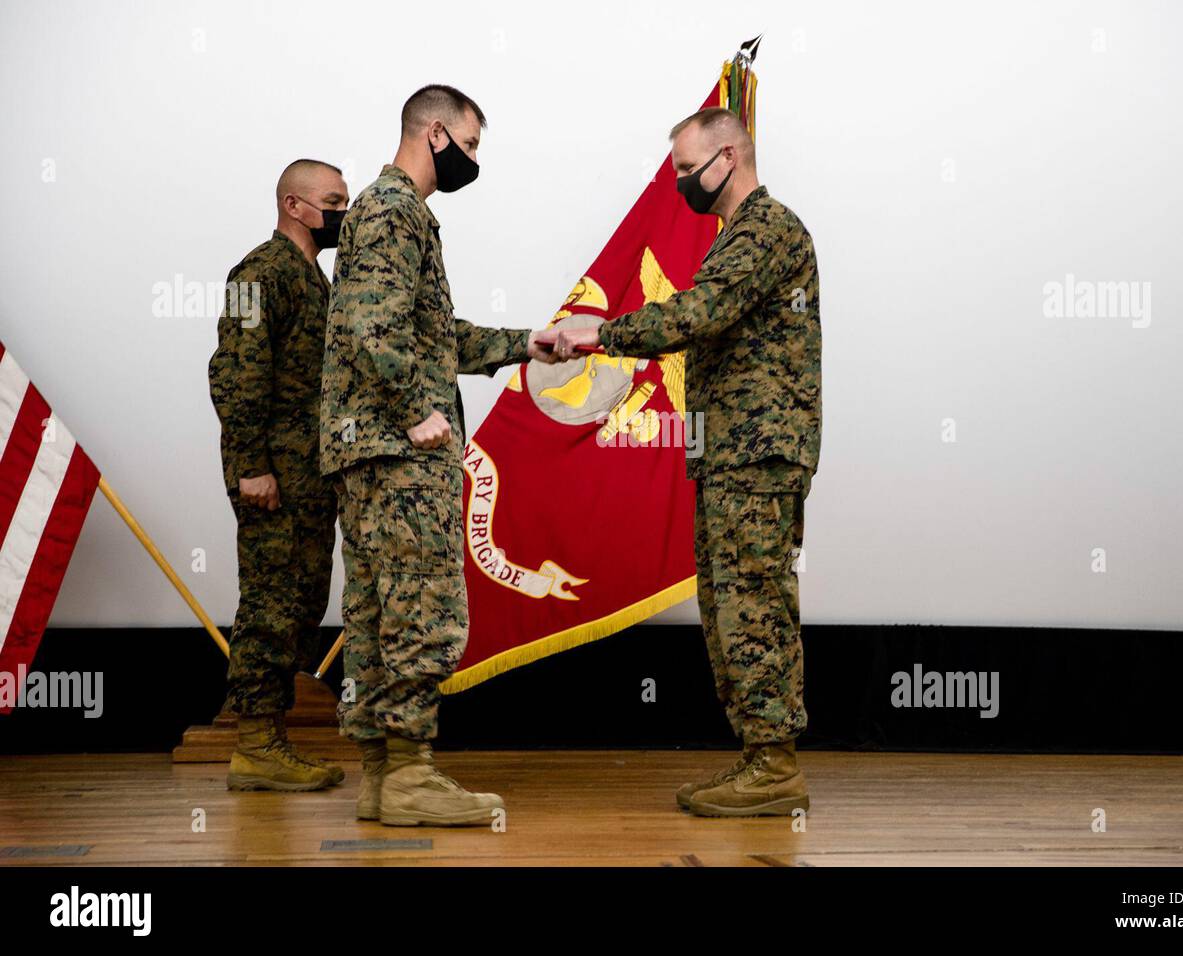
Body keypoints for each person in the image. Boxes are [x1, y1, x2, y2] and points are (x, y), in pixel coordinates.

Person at [543, 107, 822, 817]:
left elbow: (697, 316)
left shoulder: (767, 230)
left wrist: (598, 334)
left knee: (753, 605)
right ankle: (759, 759)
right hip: (732, 455)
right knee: (730, 605)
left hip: (757, 456)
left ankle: (775, 766)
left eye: (687, 170)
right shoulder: (737, 236)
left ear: (728, 155)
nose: (681, 185)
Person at [320, 84, 557, 826]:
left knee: (376, 612)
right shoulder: (396, 211)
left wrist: (527, 344)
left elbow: (435, 336)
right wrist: (417, 410)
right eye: (471, 144)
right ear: (434, 134)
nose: (473, 160)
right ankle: (412, 773)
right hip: (397, 452)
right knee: (425, 609)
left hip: (367, 452)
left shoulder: (383, 212)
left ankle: (383, 777)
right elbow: (366, 326)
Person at [208, 158, 350, 791]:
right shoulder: (259, 273)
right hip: (276, 478)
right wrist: (251, 467)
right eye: (333, 201)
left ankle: (272, 738)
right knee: (269, 604)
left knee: (301, 601)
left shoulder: (314, 279)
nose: (342, 214)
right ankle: (256, 745)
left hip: (311, 478)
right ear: (294, 205)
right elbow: (235, 375)